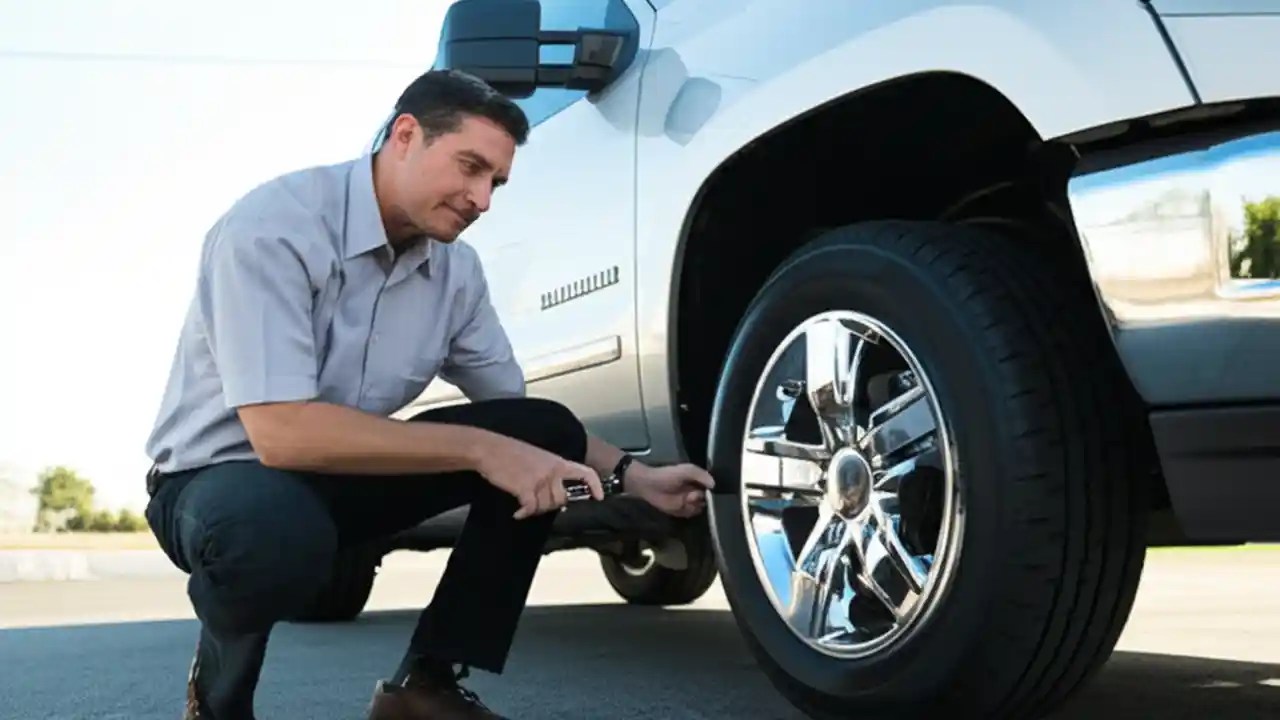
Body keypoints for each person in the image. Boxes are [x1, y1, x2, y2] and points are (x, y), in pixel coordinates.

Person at [142, 68, 715, 720]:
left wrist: (637, 477)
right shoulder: (274, 229)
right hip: (216, 484)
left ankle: (427, 687)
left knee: (540, 432)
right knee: (272, 532)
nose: (482, 200)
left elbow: (527, 426)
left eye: (495, 182)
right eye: (469, 168)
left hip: (343, 477)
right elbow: (282, 433)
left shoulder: (456, 273)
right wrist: (477, 449)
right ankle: (217, 699)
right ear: (406, 136)